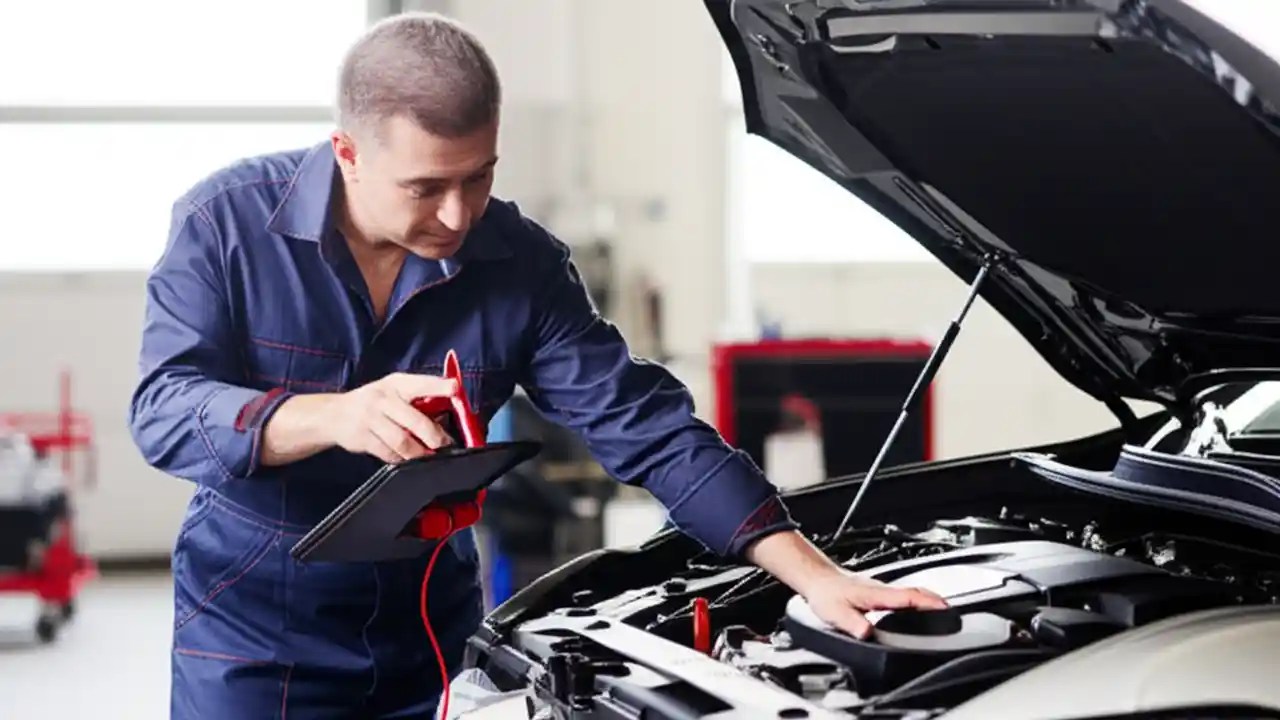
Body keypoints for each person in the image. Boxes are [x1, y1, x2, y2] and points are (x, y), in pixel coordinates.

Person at [128, 11, 946, 719]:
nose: (457, 215)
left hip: (431, 626)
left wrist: (816, 574)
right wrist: (332, 415)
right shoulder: (225, 226)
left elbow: (650, 428)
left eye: (479, 178)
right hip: (251, 629)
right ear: (347, 152)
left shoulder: (518, 262)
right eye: (425, 187)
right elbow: (163, 410)